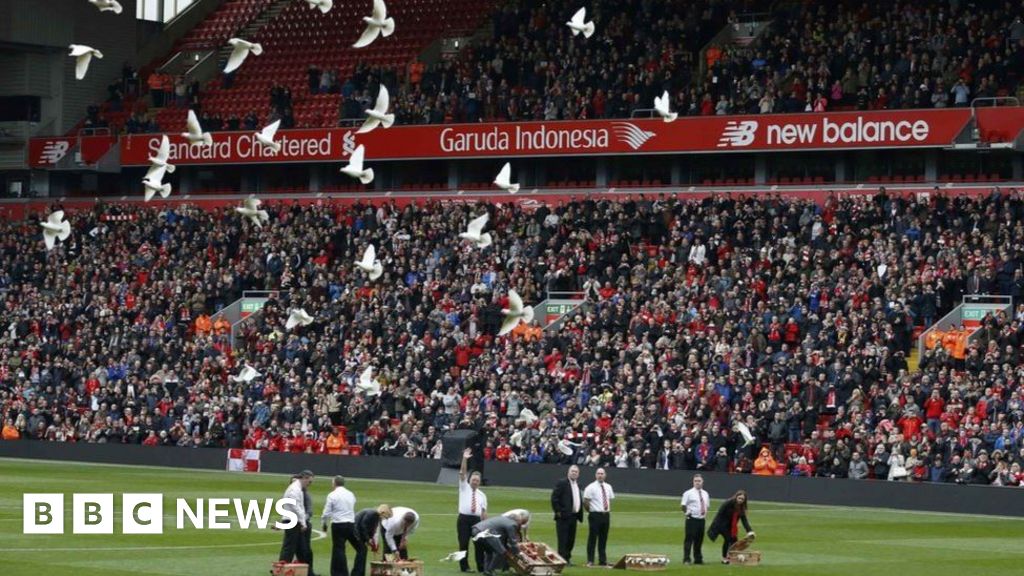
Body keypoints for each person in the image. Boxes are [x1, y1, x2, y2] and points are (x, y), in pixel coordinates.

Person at [457, 447, 487, 572]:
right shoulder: (464, 487)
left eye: (477, 480)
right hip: (464, 519)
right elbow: (462, 473)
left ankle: (481, 567)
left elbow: (484, 512)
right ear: (469, 480)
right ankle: (464, 567)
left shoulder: (482, 495)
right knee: (463, 544)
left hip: (477, 521)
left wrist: (485, 525)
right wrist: (464, 458)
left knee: (479, 543)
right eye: (473, 480)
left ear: (479, 482)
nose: (475, 482)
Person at [322, 476, 357, 576]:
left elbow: (326, 513)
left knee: (338, 549)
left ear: (334, 483)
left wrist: (324, 524)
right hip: (350, 524)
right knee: (354, 547)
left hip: (338, 524)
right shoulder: (351, 494)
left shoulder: (332, 495)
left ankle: (339, 573)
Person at [707, 491, 754, 564]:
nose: (740, 500)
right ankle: (724, 558)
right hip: (720, 524)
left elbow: (744, 521)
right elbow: (719, 514)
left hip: (730, 526)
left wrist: (749, 531)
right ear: (736, 497)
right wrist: (715, 527)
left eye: (742, 499)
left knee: (734, 540)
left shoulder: (741, 508)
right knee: (728, 539)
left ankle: (731, 556)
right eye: (739, 498)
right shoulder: (728, 503)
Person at [550, 465, 583, 565]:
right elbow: (554, 498)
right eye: (572, 471)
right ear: (568, 472)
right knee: (563, 539)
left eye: (576, 472)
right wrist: (558, 512)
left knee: (571, 539)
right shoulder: (562, 483)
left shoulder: (578, 485)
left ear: (578, 474)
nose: (574, 473)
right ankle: (562, 559)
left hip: (574, 516)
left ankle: (567, 558)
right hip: (563, 517)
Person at [280, 470, 314, 567]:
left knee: (300, 548)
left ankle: (305, 570)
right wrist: (303, 522)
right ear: (304, 478)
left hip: (294, 520)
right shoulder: (295, 489)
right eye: (309, 481)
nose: (309, 484)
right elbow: (296, 507)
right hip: (292, 520)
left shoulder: (297, 488)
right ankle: (282, 568)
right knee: (290, 547)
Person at [582, 467, 614, 566]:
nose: (600, 475)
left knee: (603, 538)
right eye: (598, 473)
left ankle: (602, 560)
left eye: (602, 473)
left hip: (605, 515)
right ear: (595, 475)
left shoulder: (608, 487)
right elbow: (586, 501)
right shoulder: (590, 487)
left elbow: (609, 499)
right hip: (595, 514)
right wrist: (591, 511)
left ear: (605, 475)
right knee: (592, 538)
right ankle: (590, 560)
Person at [353, 505, 393, 576]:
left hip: (358, 532)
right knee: (362, 551)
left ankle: (359, 573)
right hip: (355, 532)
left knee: (362, 551)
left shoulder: (375, 515)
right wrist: (368, 539)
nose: (385, 519)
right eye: (386, 517)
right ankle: (357, 573)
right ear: (383, 513)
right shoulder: (373, 514)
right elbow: (363, 526)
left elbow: (371, 528)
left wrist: (370, 539)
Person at [680, 474, 709, 565]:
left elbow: (707, 505)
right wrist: (687, 513)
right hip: (692, 519)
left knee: (699, 540)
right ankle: (686, 559)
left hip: (701, 520)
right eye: (695, 481)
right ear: (693, 482)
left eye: (699, 481)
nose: (697, 483)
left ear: (702, 482)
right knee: (689, 539)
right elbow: (683, 505)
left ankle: (698, 558)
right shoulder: (688, 493)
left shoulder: (705, 493)